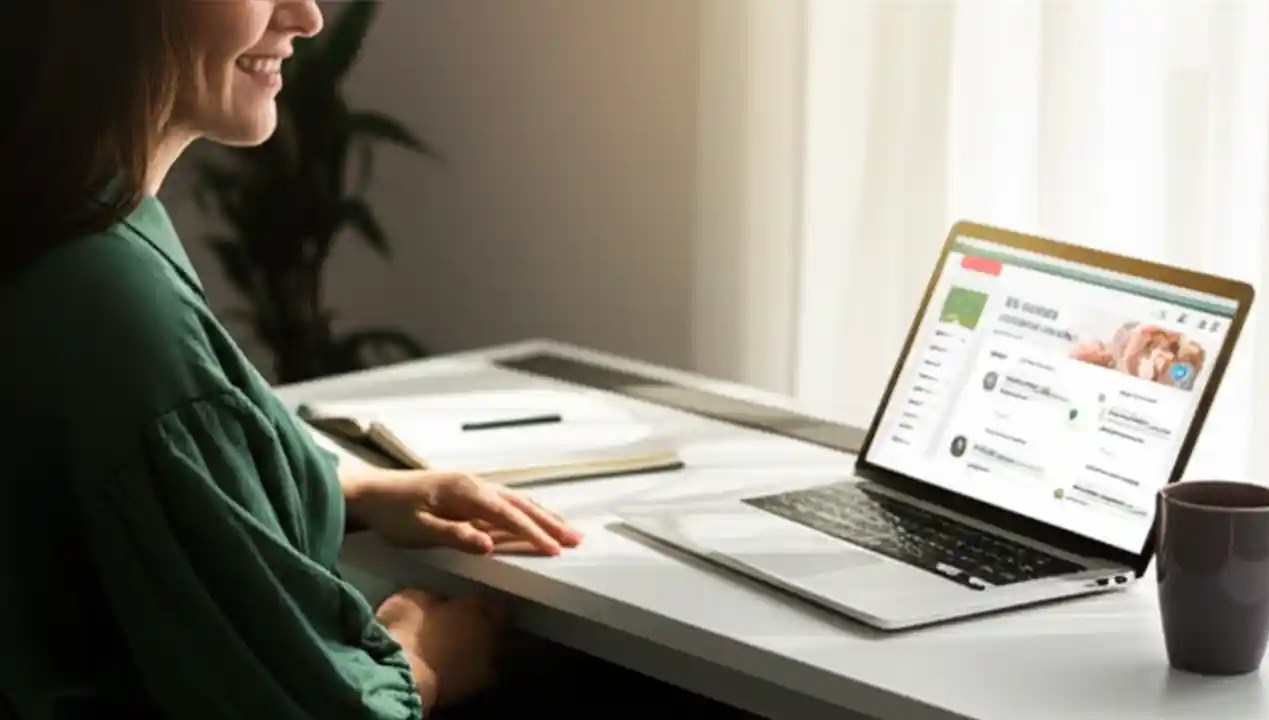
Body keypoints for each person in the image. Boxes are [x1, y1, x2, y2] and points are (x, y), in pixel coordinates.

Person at [0, 2, 758, 719]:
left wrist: (359, 489)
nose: (305, 18)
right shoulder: (115, 303)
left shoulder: (73, 221)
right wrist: (427, 657)